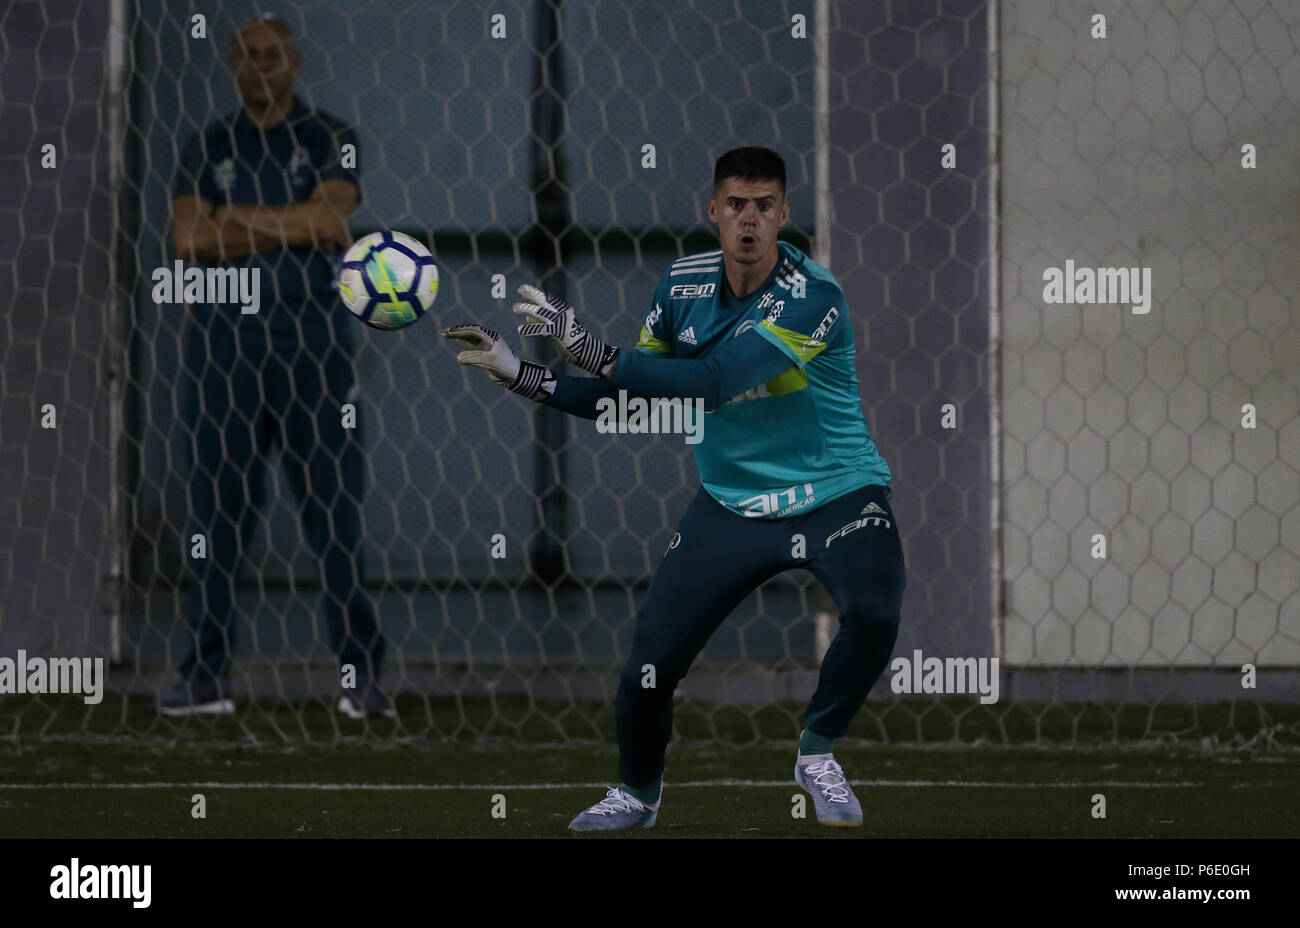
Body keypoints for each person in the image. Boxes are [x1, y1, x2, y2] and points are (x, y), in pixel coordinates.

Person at [444, 147, 906, 828]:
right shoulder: (680, 287)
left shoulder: (814, 296)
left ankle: (817, 751)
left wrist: (596, 350)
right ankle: (637, 793)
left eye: (764, 206)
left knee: (875, 609)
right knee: (648, 668)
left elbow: (716, 380)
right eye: (736, 205)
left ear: (784, 214)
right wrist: (523, 374)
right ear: (713, 211)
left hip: (836, 490)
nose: (749, 220)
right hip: (731, 505)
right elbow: (636, 395)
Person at [160, 15, 390, 718]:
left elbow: (331, 225)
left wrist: (237, 220)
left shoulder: (331, 136)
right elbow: (187, 239)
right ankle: (206, 675)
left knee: (334, 514)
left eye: (274, 54)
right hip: (222, 347)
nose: (262, 65)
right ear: (233, 63)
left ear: (294, 60)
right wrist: (286, 221)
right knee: (216, 516)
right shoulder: (207, 142)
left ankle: (360, 678)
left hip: (313, 344)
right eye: (249, 55)